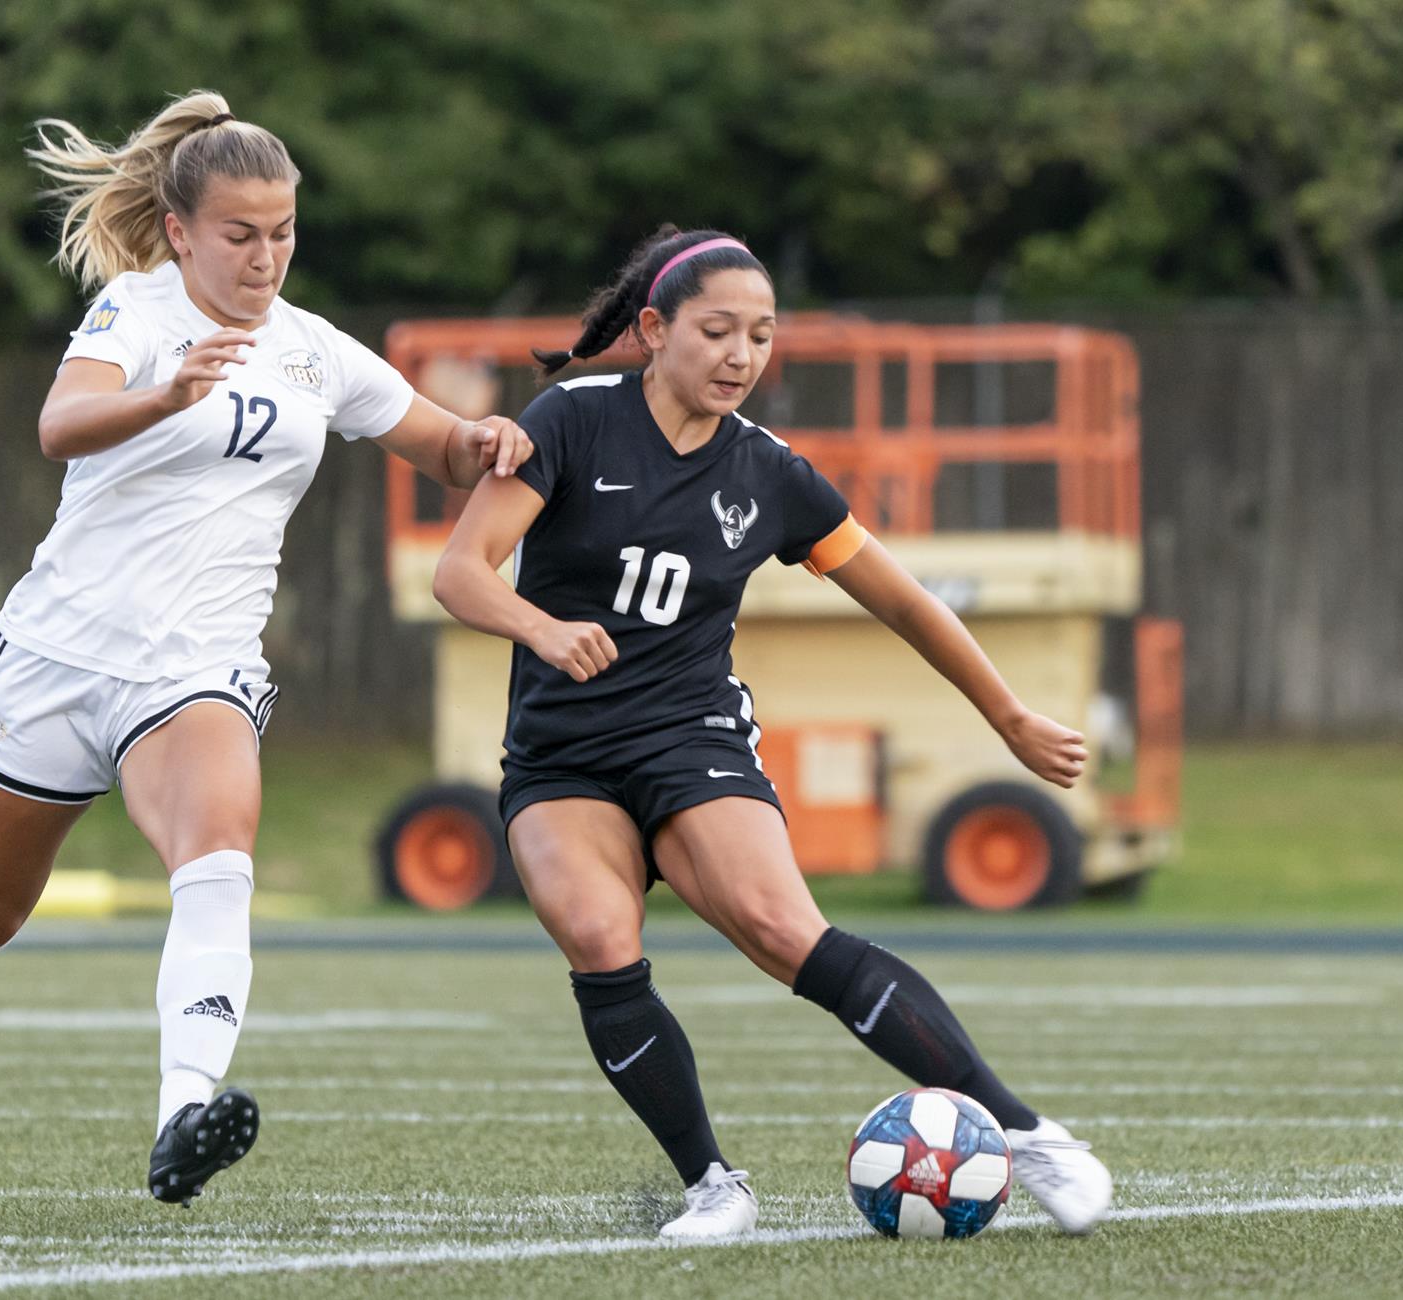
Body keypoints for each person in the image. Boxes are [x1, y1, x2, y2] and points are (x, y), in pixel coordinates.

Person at [0, 89, 532, 1208]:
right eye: (240, 234)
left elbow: (446, 449)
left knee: (219, 860)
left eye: (283, 232)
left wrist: (489, 439)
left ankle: (182, 1116)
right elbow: (59, 425)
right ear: (179, 231)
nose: (266, 257)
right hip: (58, 658)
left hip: (195, 673)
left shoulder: (313, 351)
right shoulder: (137, 311)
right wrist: (166, 395)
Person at [431, 226, 1112, 1240]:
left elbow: (905, 601)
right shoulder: (570, 420)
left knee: (784, 931)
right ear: (652, 329)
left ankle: (1026, 1134)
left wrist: (1007, 713)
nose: (740, 355)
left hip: (689, 736)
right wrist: (542, 628)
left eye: (760, 334)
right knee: (598, 938)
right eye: (717, 331)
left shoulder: (771, 474)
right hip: (561, 754)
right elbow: (460, 573)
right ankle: (713, 1185)